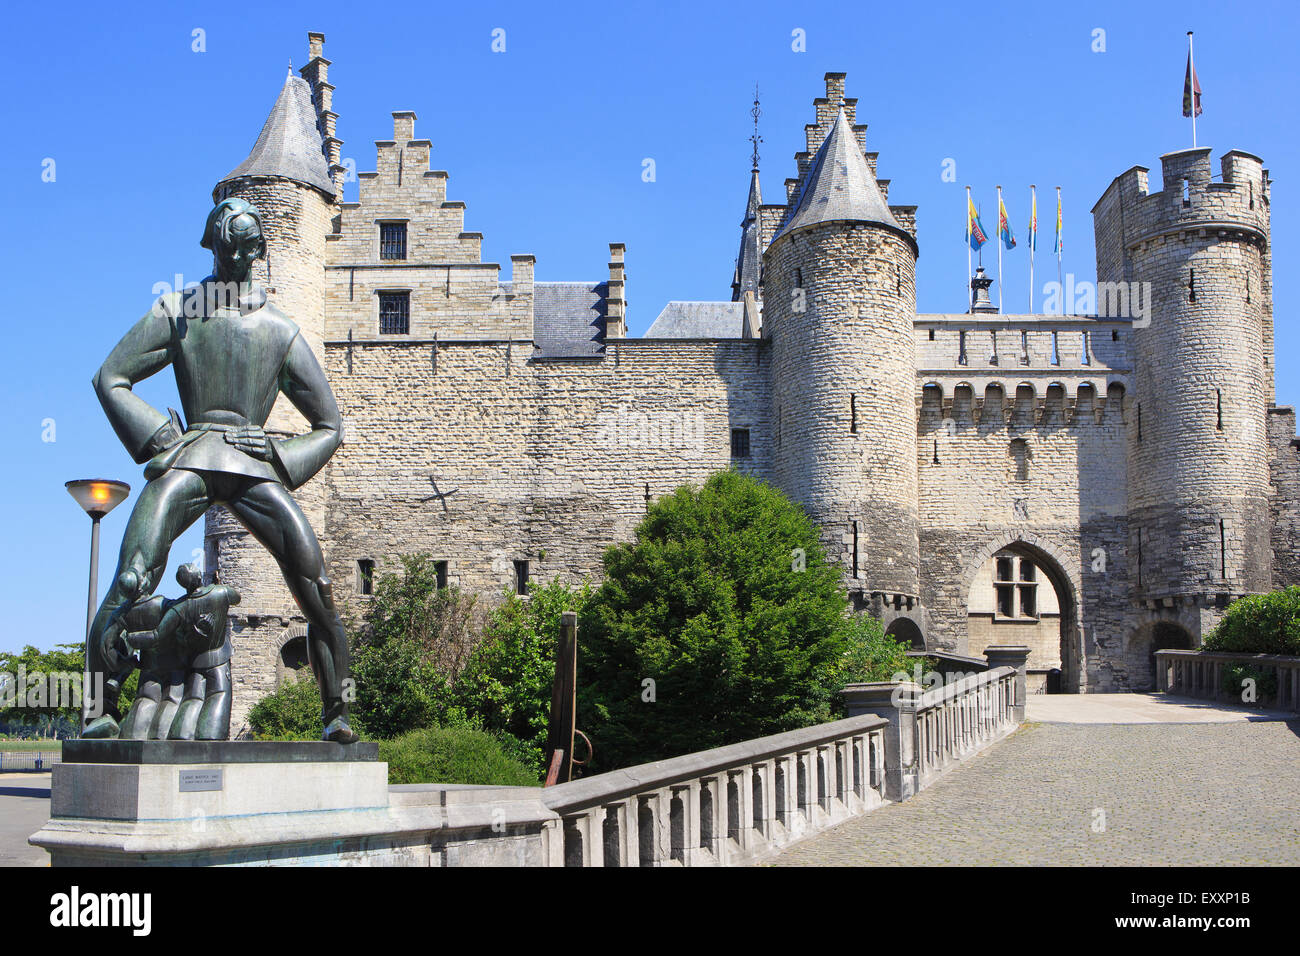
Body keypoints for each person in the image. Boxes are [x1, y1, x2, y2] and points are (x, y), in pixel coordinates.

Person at [83, 197, 356, 743]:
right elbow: (110, 376)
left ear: (257, 251)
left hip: (252, 466)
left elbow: (330, 424)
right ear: (213, 245)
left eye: (242, 249)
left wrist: (278, 454)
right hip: (193, 456)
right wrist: (161, 438)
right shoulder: (178, 312)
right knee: (133, 576)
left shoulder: (280, 331)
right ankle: (97, 709)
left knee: (318, 586)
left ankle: (338, 714)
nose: (232, 260)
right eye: (224, 248)